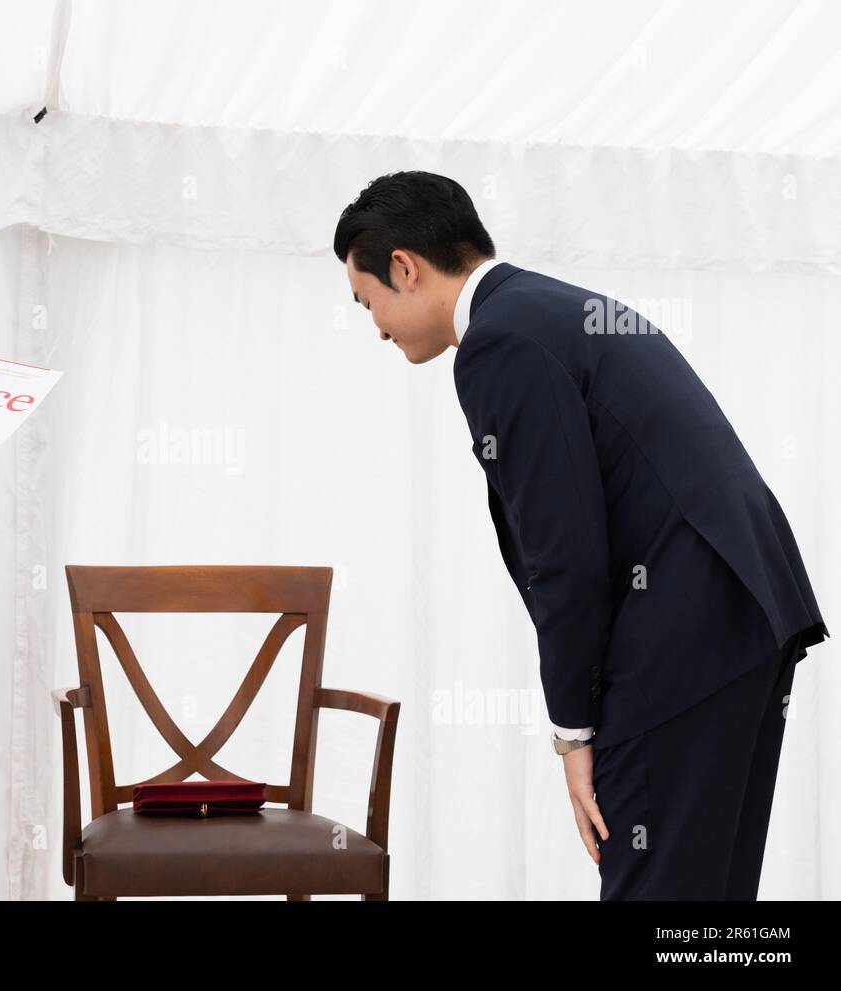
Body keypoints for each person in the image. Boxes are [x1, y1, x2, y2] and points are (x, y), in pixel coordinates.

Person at [333, 170, 827, 899]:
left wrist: (572, 731)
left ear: (403, 267)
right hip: (745, 605)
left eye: (366, 300)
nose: (375, 325)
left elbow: (564, 557)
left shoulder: (499, 342)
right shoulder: (549, 307)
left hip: (686, 629)